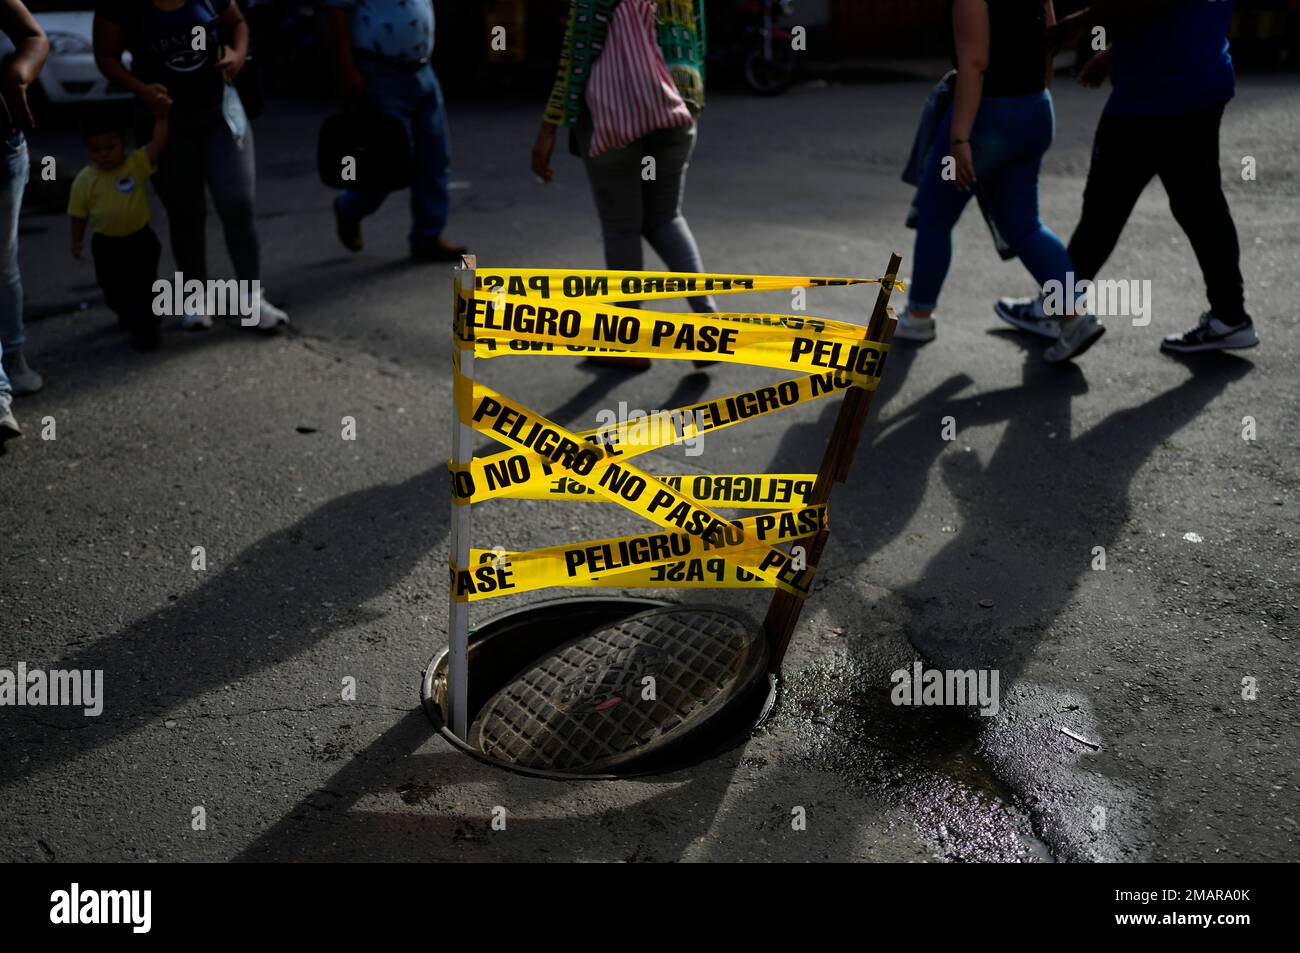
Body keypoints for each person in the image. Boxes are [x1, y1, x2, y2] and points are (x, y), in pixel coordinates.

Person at [997, 0, 1257, 354]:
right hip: (1200, 79)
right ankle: (1231, 316)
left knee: (1104, 210)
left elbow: (1141, 5)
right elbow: (1174, 15)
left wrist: (1075, 25)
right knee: (1201, 208)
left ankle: (1055, 307)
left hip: (1151, 95)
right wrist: (1115, 55)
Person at [898, 0, 1103, 363]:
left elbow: (974, 63)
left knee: (934, 215)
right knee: (1025, 227)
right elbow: (1048, 42)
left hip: (987, 117)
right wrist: (1034, 93)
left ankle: (918, 318)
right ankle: (1075, 318)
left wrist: (959, 139)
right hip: (1036, 108)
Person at [531, 0, 717, 370]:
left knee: (621, 227)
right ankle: (707, 325)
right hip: (676, 106)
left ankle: (627, 343)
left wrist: (550, 127)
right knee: (665, 216)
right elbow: (699, 42)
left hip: (614, 115)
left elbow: (578, 56)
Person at [93, 0, 288, 332]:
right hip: (165, 123)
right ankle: (195, 298)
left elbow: (238, 22)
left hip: (220, 114)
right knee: (185, 211)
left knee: (238, 203)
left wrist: (238, 55)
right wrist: (141, 89)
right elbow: (106, 57)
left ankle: (251, 299)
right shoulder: (119, 4)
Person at [323, 0, 466, 261]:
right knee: (386, 164)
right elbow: (337, 13)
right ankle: (349, 208)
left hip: (422, 69)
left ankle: (428, 237)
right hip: (380, 73)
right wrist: (347, 71)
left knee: (434, 157)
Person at [69, 102, 170, 351]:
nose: (103, 154)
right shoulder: (84, 180)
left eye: (109, 147)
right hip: (107, 245)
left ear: (123, 142)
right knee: (112, 287)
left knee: (143, 285)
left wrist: (161, 117)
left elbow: (157, 144)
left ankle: (147, 329)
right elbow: (78, 214)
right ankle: (127, 313)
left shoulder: (135, 164)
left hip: (140, 240)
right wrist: (77, 241)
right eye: (95, 149)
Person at [0, 0, 47, 446]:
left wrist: (19, 73)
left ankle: (13, 356)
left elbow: (34, 36)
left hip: (4, 145)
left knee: (5, 265)